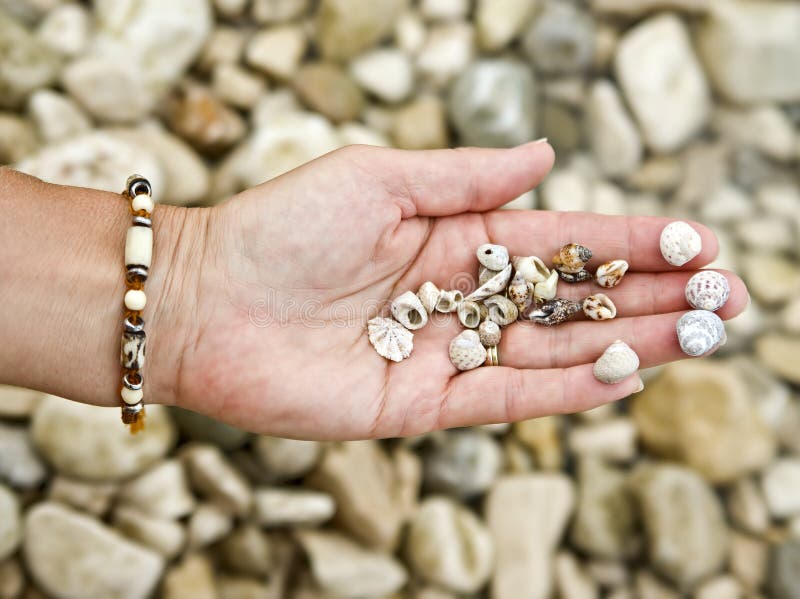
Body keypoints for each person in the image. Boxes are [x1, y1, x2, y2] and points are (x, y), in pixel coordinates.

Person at [0, 141, 748, 440]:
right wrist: (182, 288)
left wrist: (183, 292)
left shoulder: (509, 292)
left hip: (465, 316)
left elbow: (494, 307)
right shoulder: (479, 295)